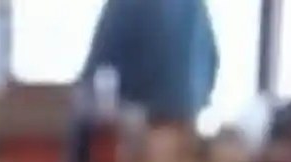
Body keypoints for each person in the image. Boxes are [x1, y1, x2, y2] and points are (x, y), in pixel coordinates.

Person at [82, 0, 219, 125]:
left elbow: (211, 58)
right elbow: (98, 70)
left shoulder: (194, 8)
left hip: (173, 116)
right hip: (139, 117)